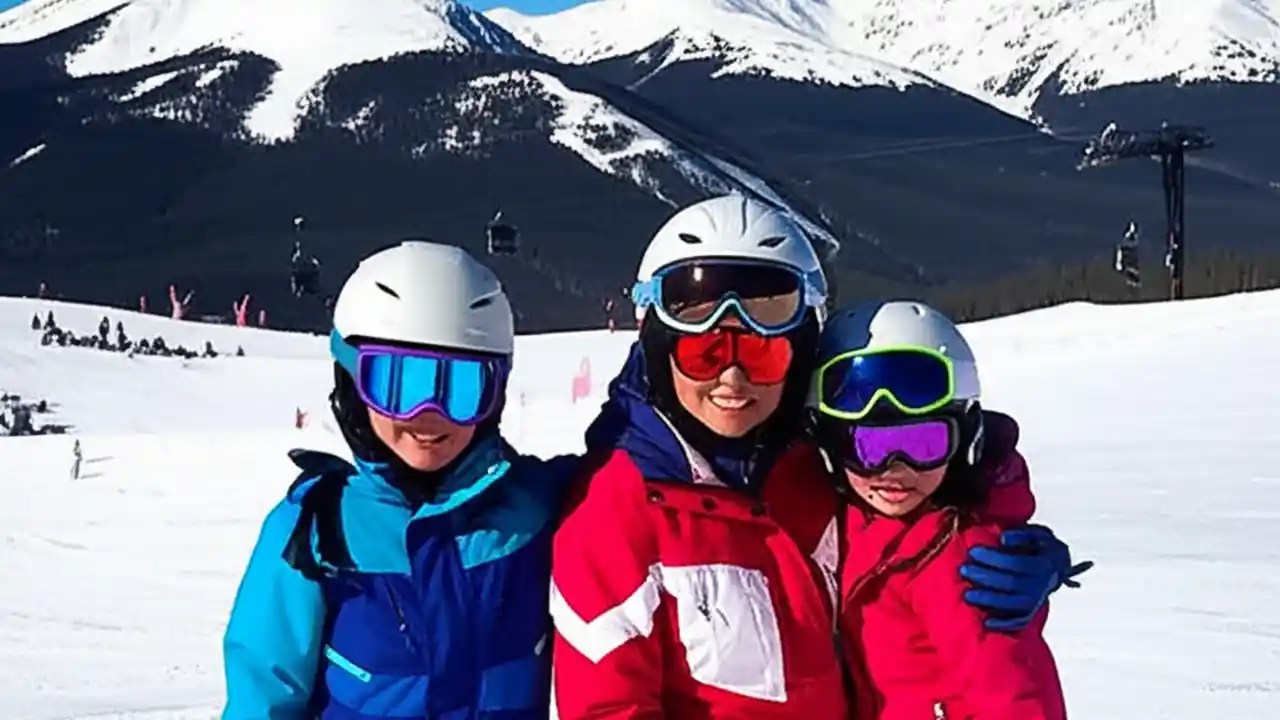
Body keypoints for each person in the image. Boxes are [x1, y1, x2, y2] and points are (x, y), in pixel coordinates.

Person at [548, 195, 1087, 719]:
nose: (732, 379)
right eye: (703, 353)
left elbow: (916, 498)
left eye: (762, 354)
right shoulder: (612, 511)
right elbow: (608, 709)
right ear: (660, 349)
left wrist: (999, 526)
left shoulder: (820, 459)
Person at [222, 241, 566, 719]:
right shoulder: (317, 532)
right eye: (399, 384)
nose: (429, 412)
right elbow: (264, 697)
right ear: (352, 386)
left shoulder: (535, 506)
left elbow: (632, 468)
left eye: (462, 387)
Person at [807, 300, 1082, 719]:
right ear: (829, 446)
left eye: (923, 445)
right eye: (869, 447)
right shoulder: (848, 518)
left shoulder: (964, 557)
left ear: (964, 441)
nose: (895, 471)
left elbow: (1011, 693)